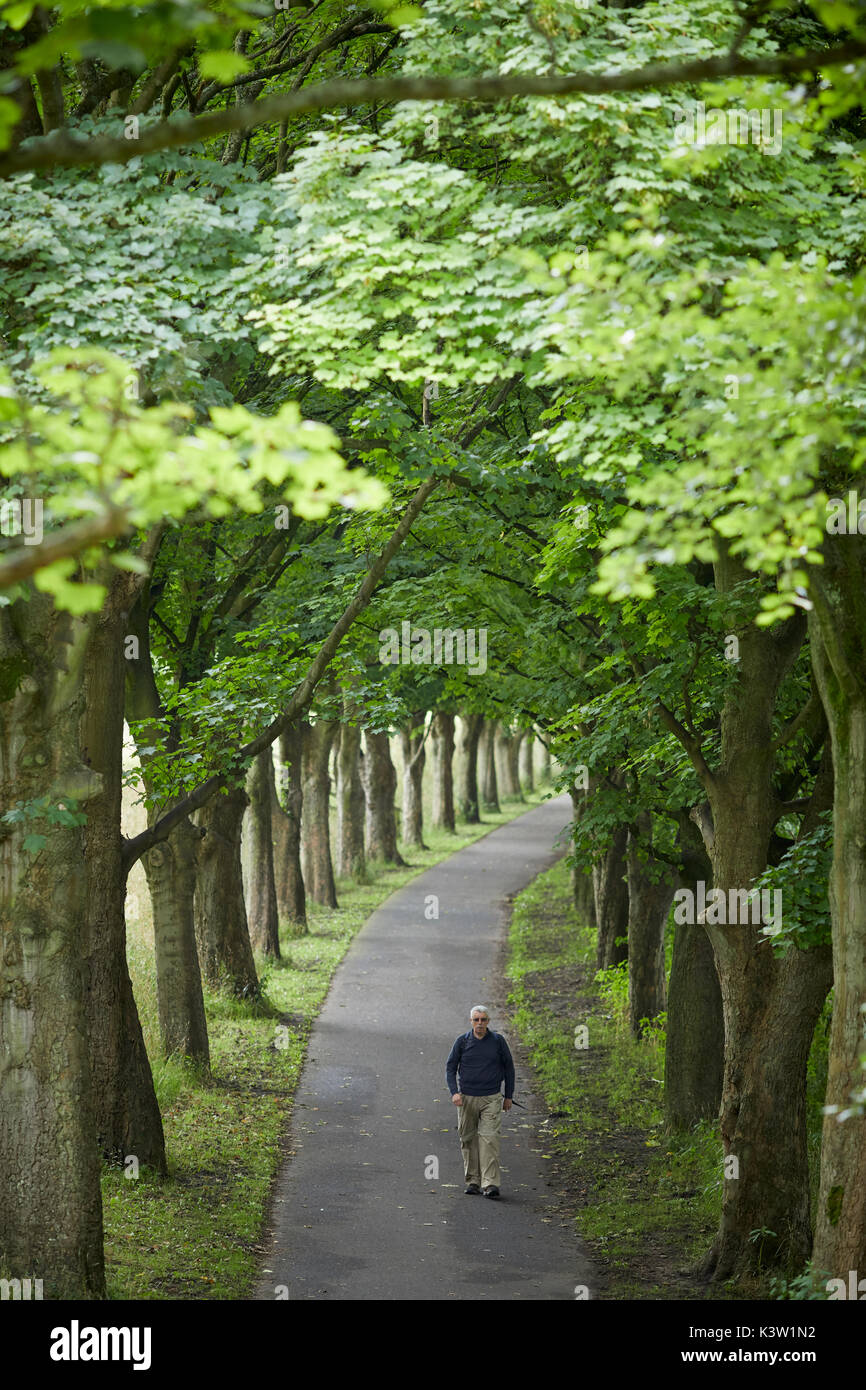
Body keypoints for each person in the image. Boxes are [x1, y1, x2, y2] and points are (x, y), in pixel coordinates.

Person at [445, 1004, 515, 1200]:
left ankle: (490, 1183)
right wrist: (454, 1093)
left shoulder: (498, 1042)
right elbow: (450, 1068)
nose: (480, 1024)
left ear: (488, 1022)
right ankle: (473, 1181)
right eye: (476, 1020)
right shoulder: (462, 1042)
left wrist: (508, 1096)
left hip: (491, 1098)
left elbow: (509, 1068)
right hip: (466, 1098)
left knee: (489, 1139)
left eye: (483, 1020)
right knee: (468, 1138)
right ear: (471, 1022)